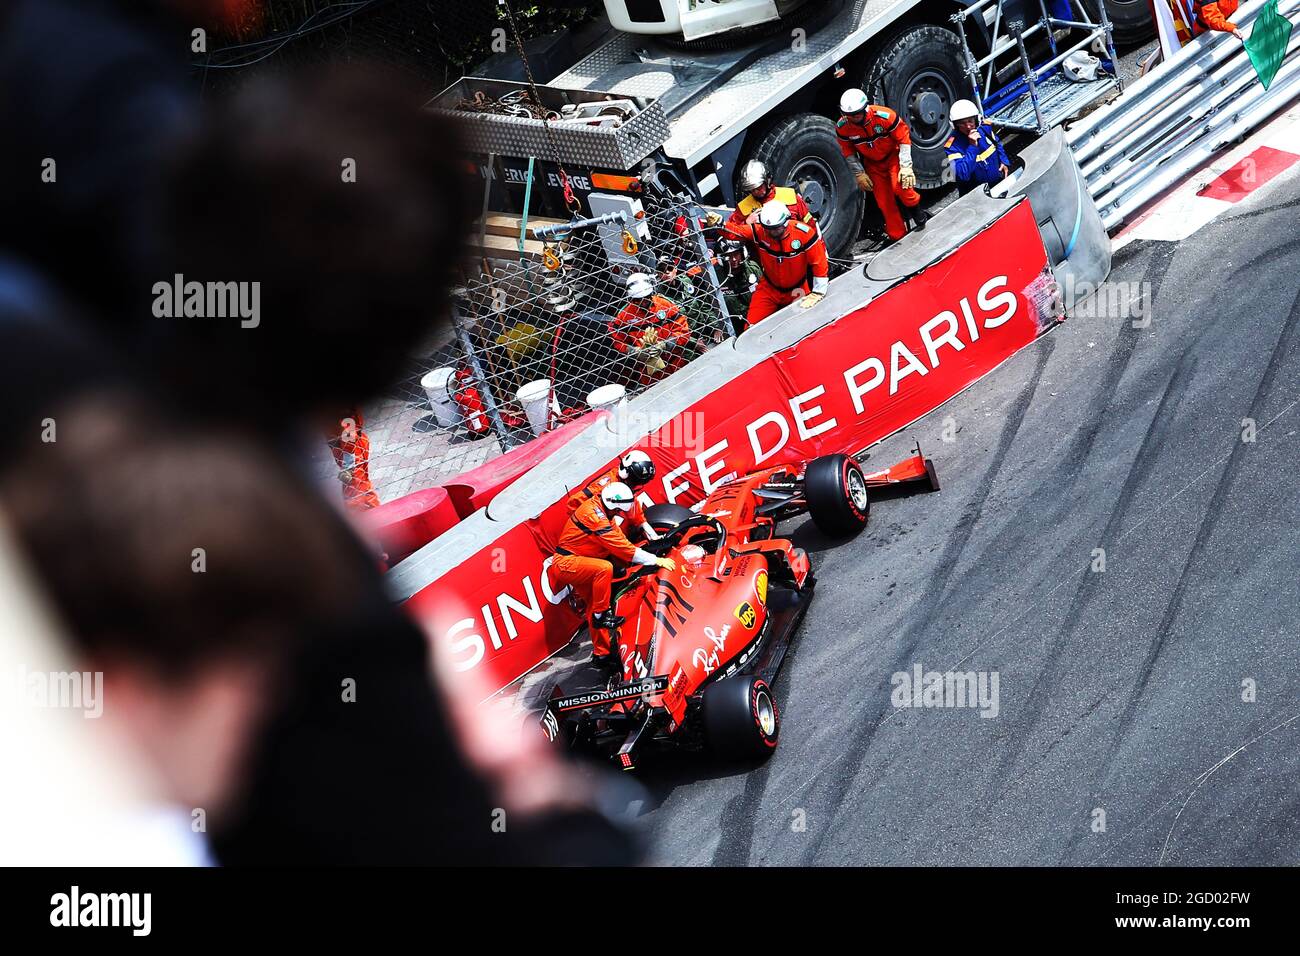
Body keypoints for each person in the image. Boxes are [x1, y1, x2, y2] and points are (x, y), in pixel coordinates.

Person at [549, 483, 676, 671]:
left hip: (580, 562)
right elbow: (623, 549)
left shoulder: (603, 509)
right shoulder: (595, 517)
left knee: (593, 604)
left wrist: (652, 546)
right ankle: (602, 615)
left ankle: (602, 654)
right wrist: (656, 560)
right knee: (604, 569)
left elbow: (621, 540)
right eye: (618, 510)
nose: (620, 514)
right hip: (567, 563)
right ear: (613, 506)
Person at [836, 88, 926, 242]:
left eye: (857, 114)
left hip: (893, 158)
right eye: (850, 115)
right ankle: (897, 235)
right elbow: (848, 152)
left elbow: (903, 139)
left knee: (902, 187)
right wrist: (859, 173)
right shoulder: (843, 127)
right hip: (873, 165)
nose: (854, 118)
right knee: (884, 201)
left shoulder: (886, 117)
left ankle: (918, 213)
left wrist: (905, 166)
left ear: (865, 108)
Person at [729, 200, 829, 326]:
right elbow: (736, 232)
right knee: (751, 328)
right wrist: (720, 224)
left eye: (776, 228)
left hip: (797, 289)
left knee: (806, 324)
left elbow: (818, 262)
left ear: (786, 222)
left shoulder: (804, 234)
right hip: (769, 289)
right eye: (769, 229)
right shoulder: (760, 231)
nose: (772, 233)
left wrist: (819, 291)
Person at [610, 272, 692, 387]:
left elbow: (683, 331)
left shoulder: (665, 304)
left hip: (675, 362)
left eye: (646, 298)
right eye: (638, 300)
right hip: (649, 371)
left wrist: (665, 345)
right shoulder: (623, 316)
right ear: (631, 298)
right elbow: (617, 342)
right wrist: (634, 352)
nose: (643, 302)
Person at [570, 450, 660, 542]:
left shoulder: (628, 484)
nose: (639, 485)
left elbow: (634, 508)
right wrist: (587, 526)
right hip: (590, 532)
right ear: (626, 473)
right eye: (636, 481)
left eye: (642, 482)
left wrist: (645, 526)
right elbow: (574, 502)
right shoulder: (606, 485)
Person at [724, 159, 814, 240]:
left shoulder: (789, 197)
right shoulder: (744, 208)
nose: (755, 192)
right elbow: (731, 233)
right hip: (765, 256)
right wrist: (746, 223)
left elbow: (810, 225)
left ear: (767, 180)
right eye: (751, 189)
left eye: (758, 187)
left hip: (794, 250)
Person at [943, 100, 1011, 195]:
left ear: (976, 119)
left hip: (998, 185)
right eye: (962, 123)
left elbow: (997, 143)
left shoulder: (984, 129)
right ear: (955, 125)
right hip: (976, 197)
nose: (968, 126)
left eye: (970, 121)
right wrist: (972, 146)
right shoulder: (952, 146)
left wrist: (1004, 161)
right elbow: (962, 174)